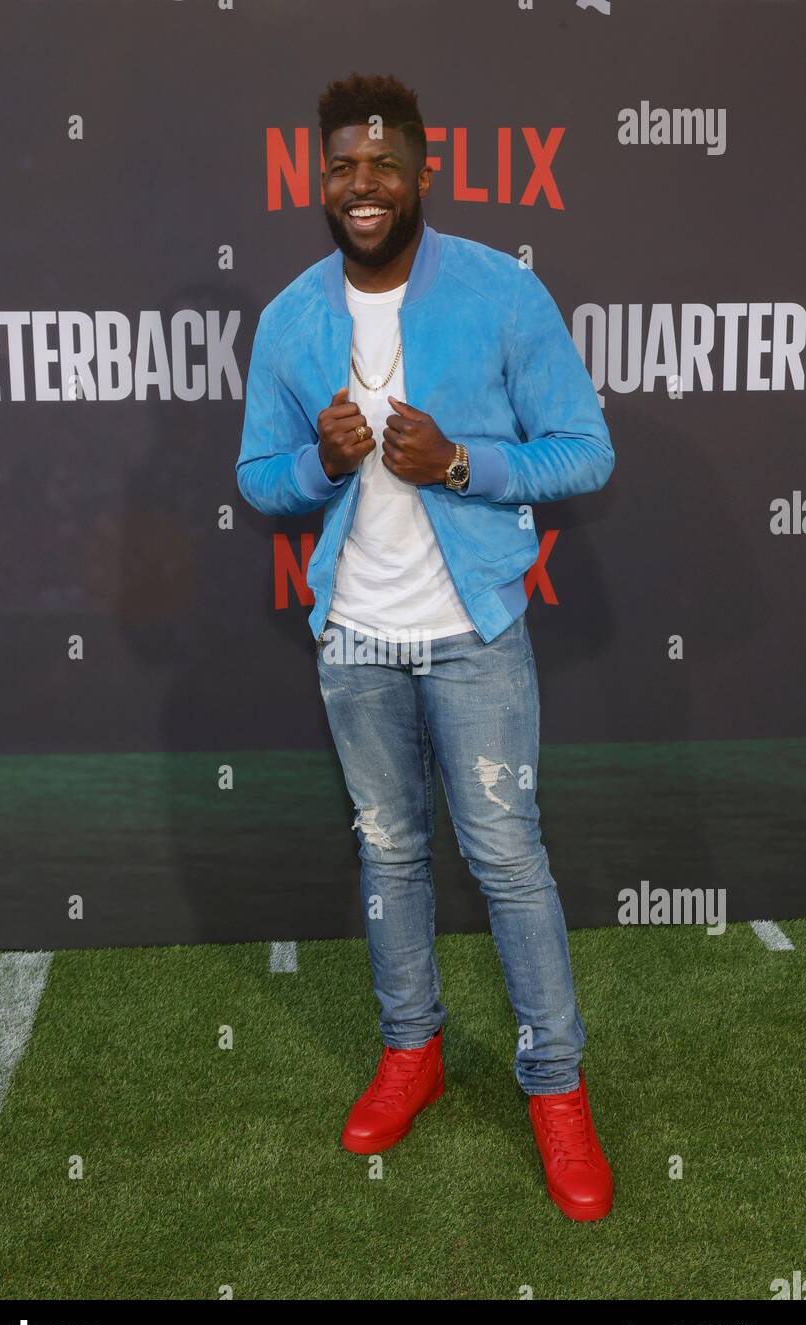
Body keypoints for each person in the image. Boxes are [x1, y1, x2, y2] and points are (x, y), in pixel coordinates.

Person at [236, 71, 615, 1221]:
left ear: (420, 172)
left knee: (506, 860)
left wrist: (459, 465)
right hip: (352, 640)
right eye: (341, 165)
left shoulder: (500, 294)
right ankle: (413, 1052)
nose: (362, 185)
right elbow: (258, 482)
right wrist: (321, 466)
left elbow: (582, 451)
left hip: (472, 636)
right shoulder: (292, 318)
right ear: (320, 175)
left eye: (382, 164)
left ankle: (556, 1090)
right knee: (389, 855)